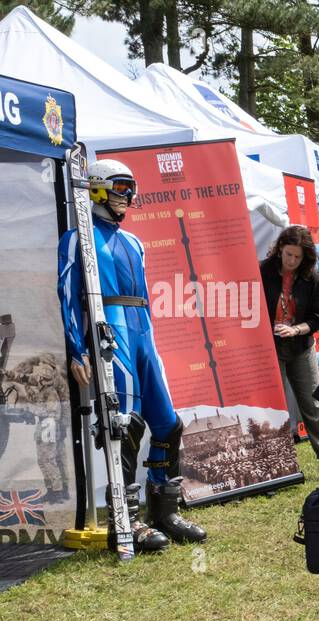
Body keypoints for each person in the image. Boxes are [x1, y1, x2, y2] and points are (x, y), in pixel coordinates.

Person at [58, 159, 207, 552]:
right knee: (124, 424)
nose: (129, 196)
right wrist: (77, 349)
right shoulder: (79, 239)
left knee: (168, 424)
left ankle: (165, 510)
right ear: (98, 189)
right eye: (121, 188)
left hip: (142, 327)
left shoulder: (135, 242)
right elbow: (69, 296)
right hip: (112, 325)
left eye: (131, 188)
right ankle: (127, 519)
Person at [259, 225, 319, 481]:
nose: (292, 261)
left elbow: (318, 317)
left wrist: (296, 330)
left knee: (312, 403)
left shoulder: (311, 277)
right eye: (288, 255)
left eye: (297, 257)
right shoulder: (262, 271)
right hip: (270, 347)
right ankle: (274, 466)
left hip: (301, 347)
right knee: (272, 407)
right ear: (280, 249)